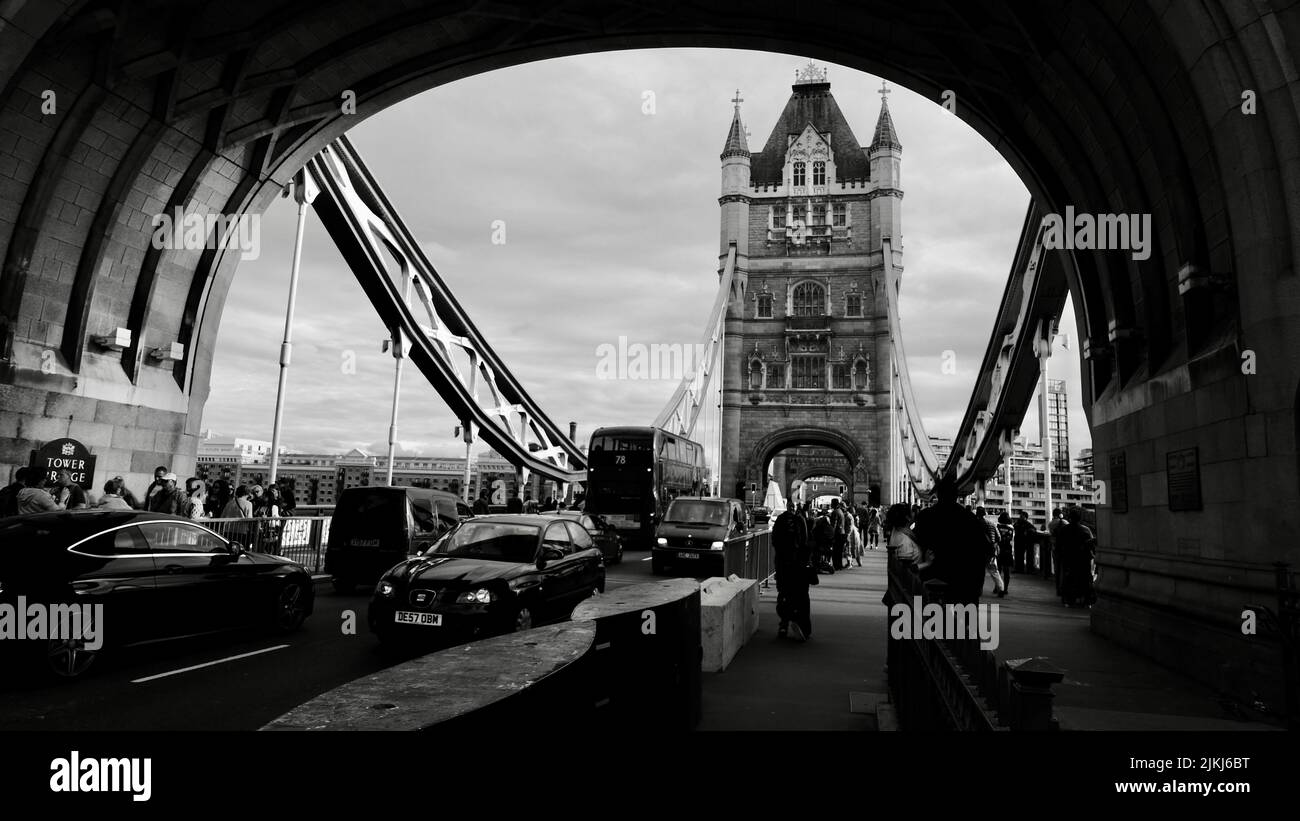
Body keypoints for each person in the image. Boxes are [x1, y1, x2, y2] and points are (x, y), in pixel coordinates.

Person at [911, 477, 989, 604]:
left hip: (931, 578)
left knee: (930, 619)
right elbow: (983, 550)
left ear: (938, 494)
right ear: (956, 495)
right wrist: (978, 584)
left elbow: (915, 543)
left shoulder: (925, 516)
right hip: (963, 580)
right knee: (962, 620)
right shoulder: (970, 519)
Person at [772, 505, 812, 642]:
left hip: (782, 564)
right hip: (798, 565)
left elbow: (774, 541)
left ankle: (783, 624)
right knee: (800, 594)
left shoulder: (780, 520)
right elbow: (805, 542)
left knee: (783, 593)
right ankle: (799, 621)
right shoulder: (800, 520)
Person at [1057, 507, 1096, 607]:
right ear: (1080, 519)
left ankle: (1069, 598)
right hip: (1083, 559)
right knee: (1085, 578)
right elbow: (1091, 544)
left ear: (1070, 518)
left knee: (1068, 578)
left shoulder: (1064, 530)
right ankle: (1085, 599)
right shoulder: (1086, 530)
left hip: (1068, 557)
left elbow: (1059, 544)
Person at [975, 506, 1006, 598]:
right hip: (990, 550)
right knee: (994, 571)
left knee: (978, 572)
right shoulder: (991, 524)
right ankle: (1001, 589)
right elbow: (999, 537)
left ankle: (978, 590)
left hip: (978, 551)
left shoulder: (975, 523)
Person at [884, 503, 922, 569]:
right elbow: (906, 569)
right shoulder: (904, 540)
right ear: (907, 517)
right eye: (912, 511)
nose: (914, 513)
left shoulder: (896, 531)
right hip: (912, 578)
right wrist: (927, 563)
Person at [996, 512, 1015, 595]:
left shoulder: (997, 527)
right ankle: (1005, 589)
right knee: (1006, 571)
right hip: (1007, 550)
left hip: (999, 550)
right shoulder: (1010, 529)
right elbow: (1010, 539)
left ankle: (998, 587)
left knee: (998, 570)